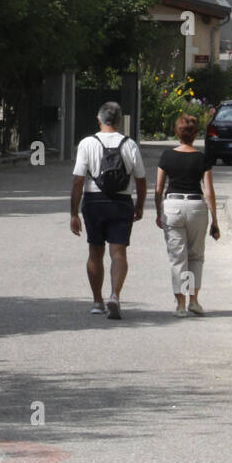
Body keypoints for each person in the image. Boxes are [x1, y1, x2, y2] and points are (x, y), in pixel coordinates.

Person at [70, 101, 146, 319]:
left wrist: (74, 213)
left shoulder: (87, 143)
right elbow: (141, 180)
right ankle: (115, 295)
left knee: (95, 251)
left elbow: (78, 181)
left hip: (94, 201)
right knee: (118, 252)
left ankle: (97, 301)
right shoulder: (130, 144)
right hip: (122, 202)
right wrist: (139, 205)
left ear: (99, 118)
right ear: (119, 120)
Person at [155, 113, 220, 316]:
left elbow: (158, 188)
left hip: (172, 206)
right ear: (195, 135)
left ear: (177, 133)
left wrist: (159, 212)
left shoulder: (166, 156)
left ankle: (180, 305)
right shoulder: (202, 158)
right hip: (195, 207)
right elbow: (208, 190)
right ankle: (194, 300)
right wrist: (215, 220)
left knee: (177, 257)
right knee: (195, 256)